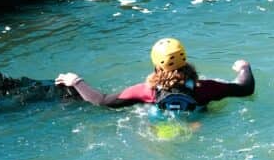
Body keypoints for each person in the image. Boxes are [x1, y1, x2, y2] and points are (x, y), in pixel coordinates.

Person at [55, 37, 254, 112]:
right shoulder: (206, 88)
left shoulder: (145, 91)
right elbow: (246, 89)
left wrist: (76, 82)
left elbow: (102, 101)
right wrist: (244, 67)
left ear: (155, 64)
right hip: (198, 121)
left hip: (157, 124)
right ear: (185, 59)